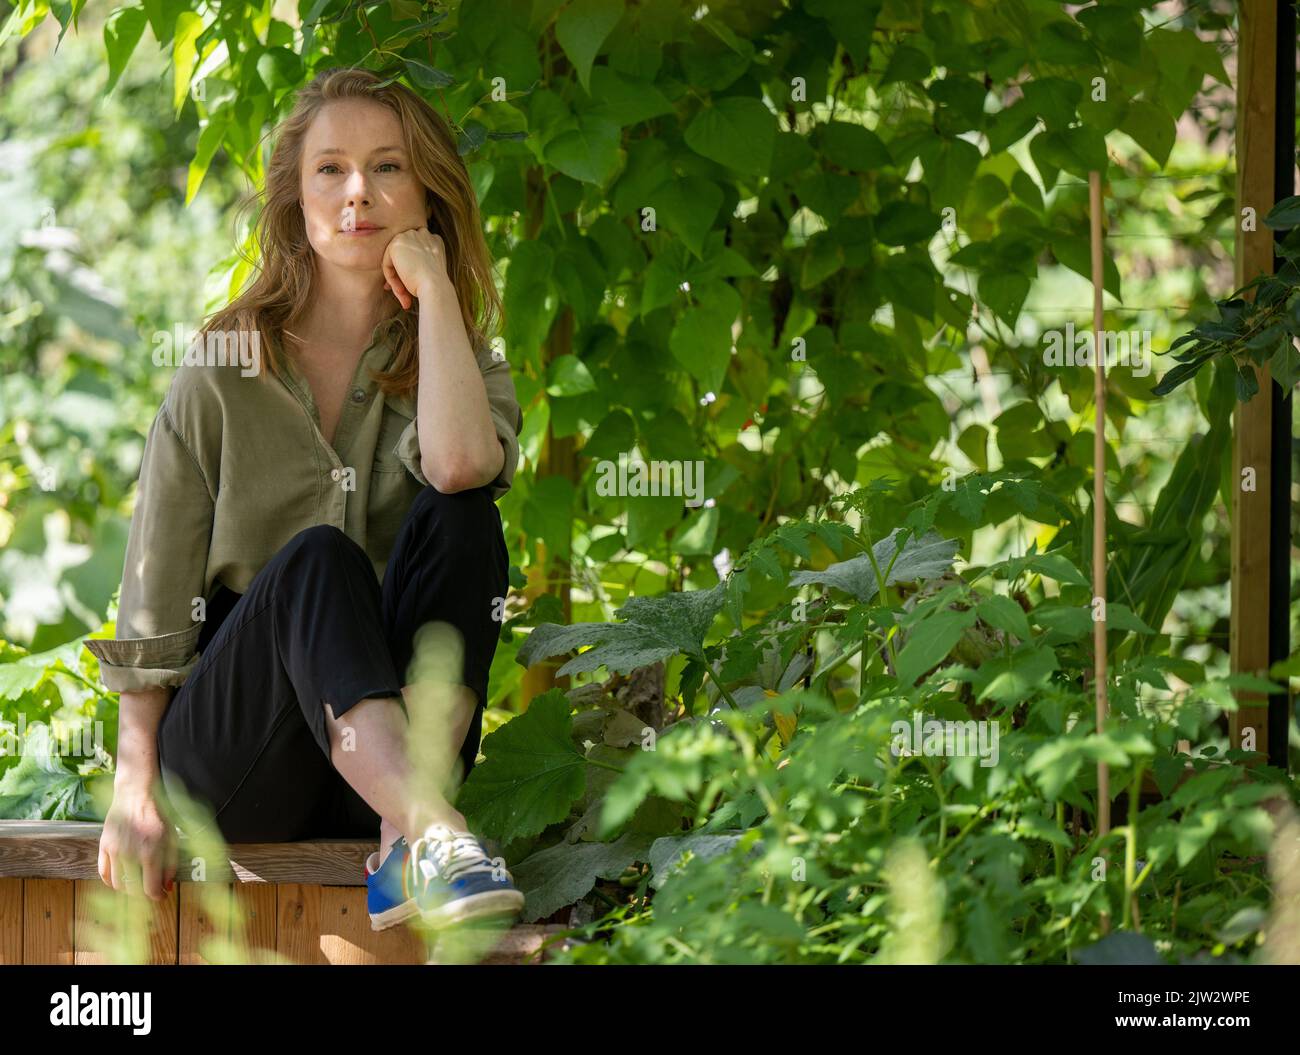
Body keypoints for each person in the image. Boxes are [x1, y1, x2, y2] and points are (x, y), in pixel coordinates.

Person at [85, 66, 526, 932]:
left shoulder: (460, 356)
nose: (359, 191)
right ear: (296, 197)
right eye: (331, 169)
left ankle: (414, 832)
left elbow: (464, 463)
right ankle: (438, 832)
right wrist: (131, 783)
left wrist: (436, 292)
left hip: (384, 770)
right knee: (317, 558)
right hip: (245, 759)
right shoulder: (222, 368)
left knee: (464, 507)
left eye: (389, 167)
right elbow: (154, 594)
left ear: (428, 195)